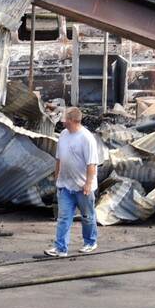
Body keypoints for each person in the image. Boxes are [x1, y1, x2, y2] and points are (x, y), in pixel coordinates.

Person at [45, 107, 100, 258]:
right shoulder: (63, 135)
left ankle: (90, 242)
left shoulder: (86, 138)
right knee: (63, 217)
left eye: (65, 119)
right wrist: (57, 177)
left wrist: (88, 184)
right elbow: (59, 158)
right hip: (65, 185)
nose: (62, 121)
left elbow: (92, 164)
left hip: (82, 186)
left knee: (87, 216)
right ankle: (60, 248)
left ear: (73, 120)